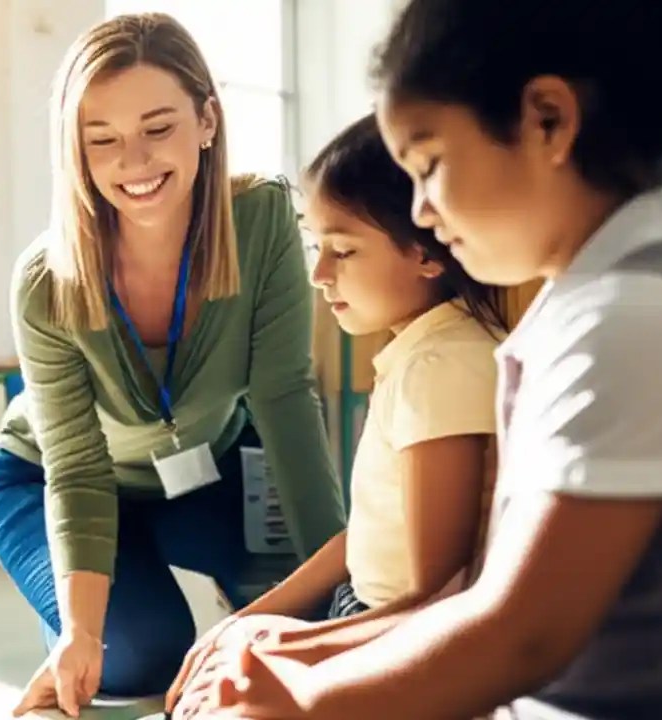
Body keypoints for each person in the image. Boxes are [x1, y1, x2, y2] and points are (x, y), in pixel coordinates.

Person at [174, 0, 662, 718]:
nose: (421, 213)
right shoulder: (599, 302)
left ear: (547, 121)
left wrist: (306, 698)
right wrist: (296, 656)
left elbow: (521, 634)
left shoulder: (643, 313)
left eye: (429, 165)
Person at [0, 12, 345, 718]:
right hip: (54, 478)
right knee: (139, 657)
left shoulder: (264, 219)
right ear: (76, 153)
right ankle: (84, 612)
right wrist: (83, 631)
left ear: (206, 119)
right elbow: (77, 471)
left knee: (295, 618)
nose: (135, 162)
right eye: (102, 140)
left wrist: (338, 589)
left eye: (158, 128)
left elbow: (285, 400)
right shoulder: (45, 282)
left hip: (206, 468)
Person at [165, 112, 506, 713]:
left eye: (343, 250)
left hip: (394, 633)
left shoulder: (443, 368)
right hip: (365, 610)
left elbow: (437, 598)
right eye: (316, 247)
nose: (320, 276)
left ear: (428, 248)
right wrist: (251, 621)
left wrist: (290, 650)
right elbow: (368, 538)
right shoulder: (421, 352)